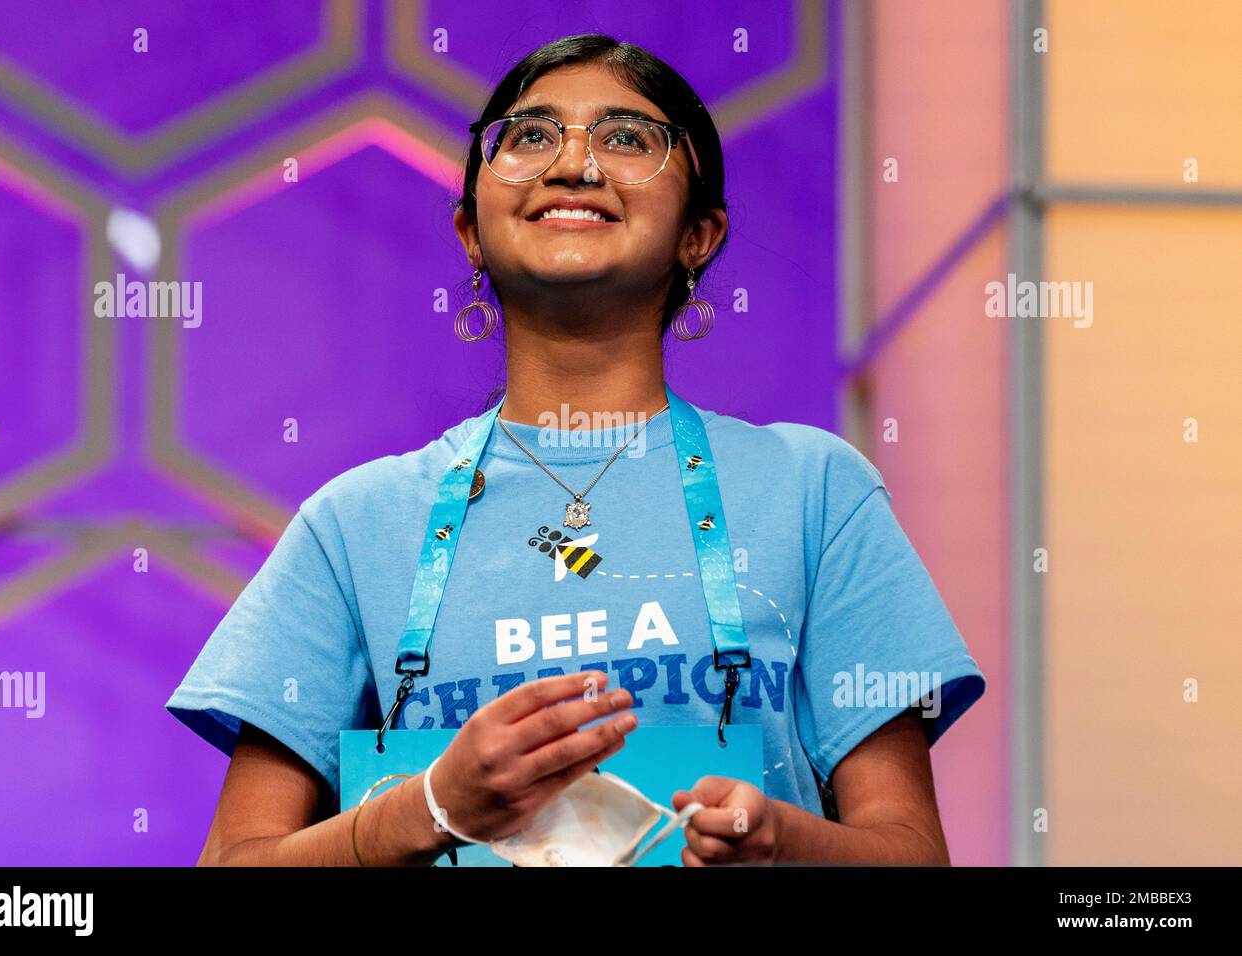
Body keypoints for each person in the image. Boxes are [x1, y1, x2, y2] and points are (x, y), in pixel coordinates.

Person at [166, 33, 985, 867]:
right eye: (529, 137)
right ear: (470, 232)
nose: (574, 165)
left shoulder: (814, 492)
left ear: (699, 236)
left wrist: (782, 842)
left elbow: (912, 853)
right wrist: (431, 808)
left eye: (626, 138)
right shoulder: (353, 525)